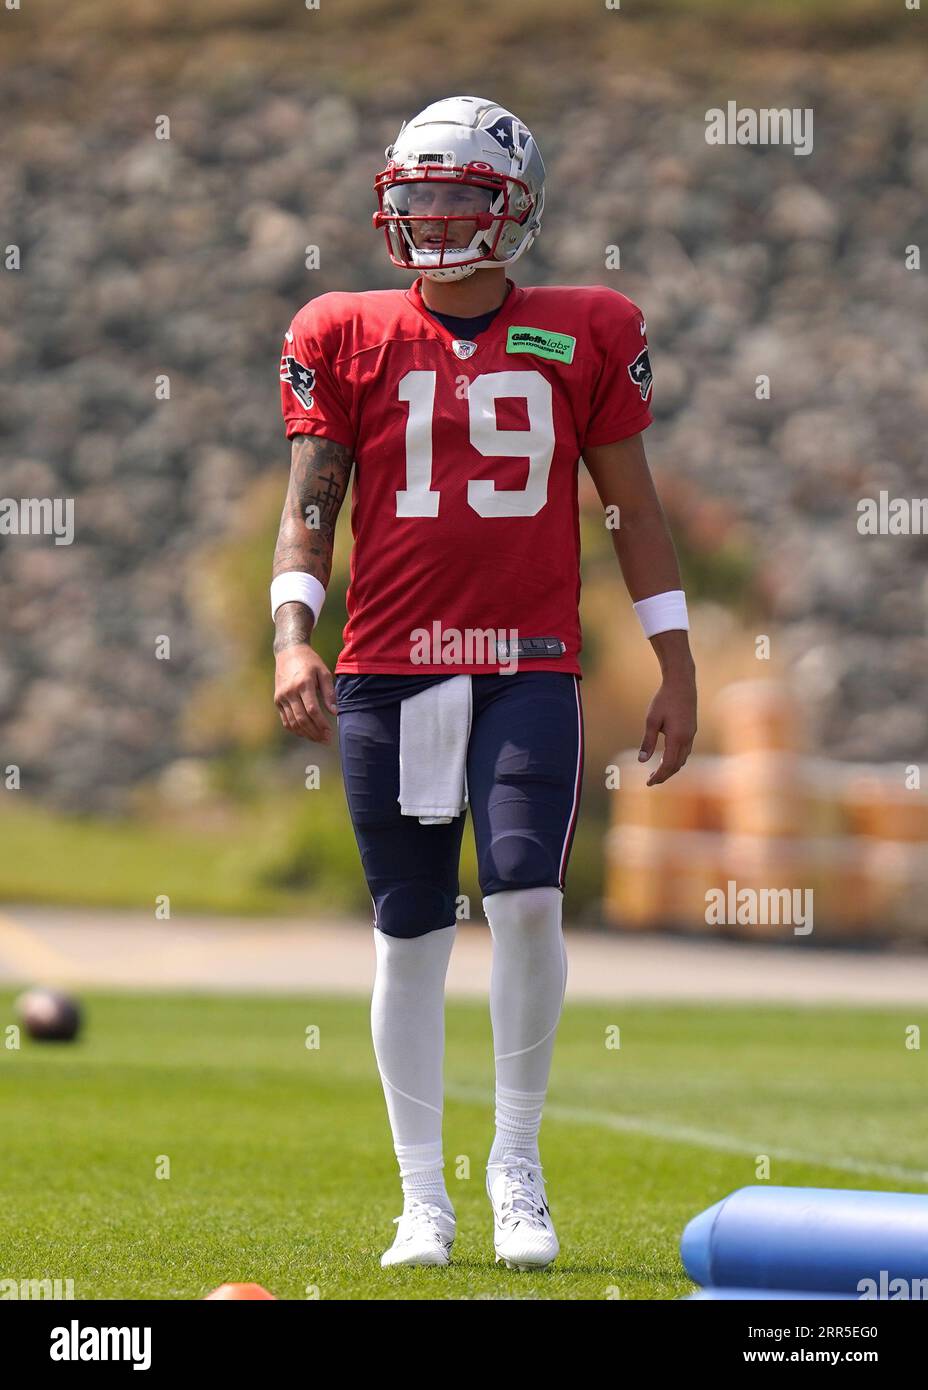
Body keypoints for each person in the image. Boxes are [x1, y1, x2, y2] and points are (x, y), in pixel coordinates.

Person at [272, 96, 697, 1271]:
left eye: (462, 197)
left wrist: (676, 661)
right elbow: (311, 504)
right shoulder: (343, 329)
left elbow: (633, 508)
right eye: (419, 198)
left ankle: (516, 1165)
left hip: (524, 665)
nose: (437, 218)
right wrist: (290, 635)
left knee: (523, 898)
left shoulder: (588, 327)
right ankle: (423, 1199)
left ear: (512, 207)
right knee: (409, 934)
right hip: (393, 673)